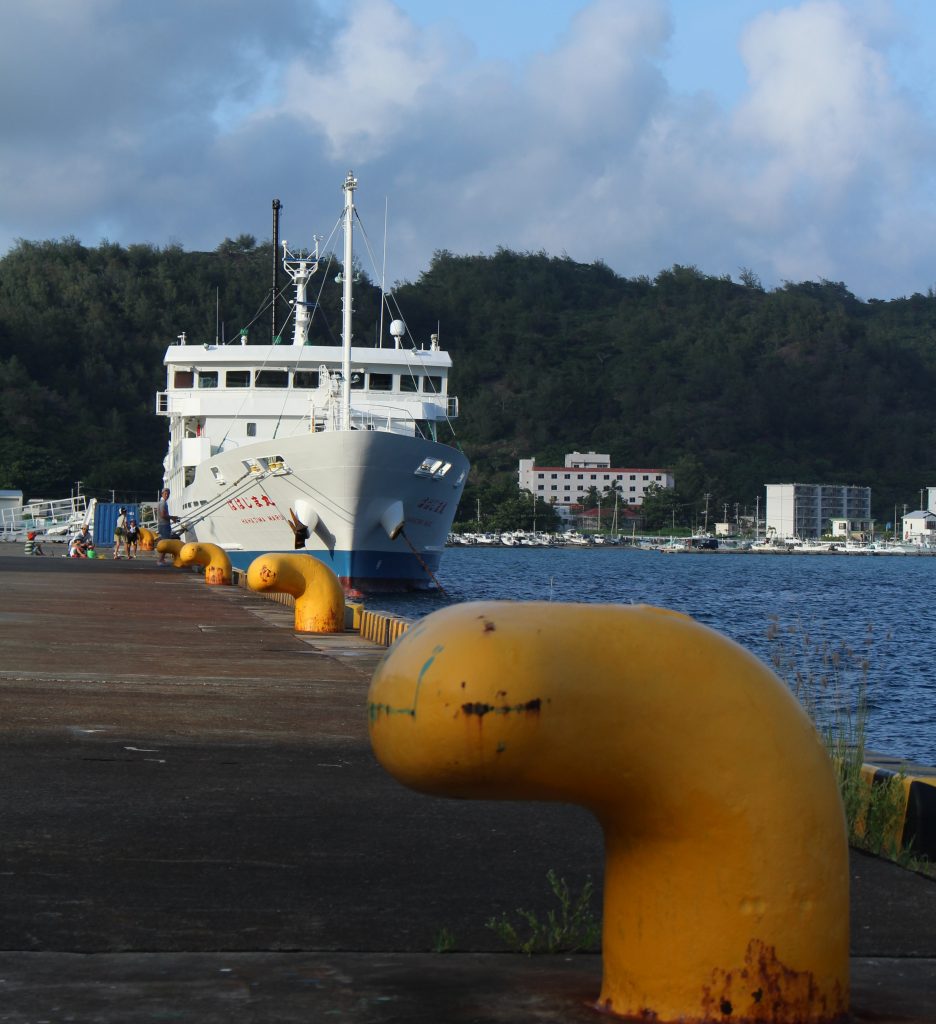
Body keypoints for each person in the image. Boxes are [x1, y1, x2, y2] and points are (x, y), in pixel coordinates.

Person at [156, 488, 178, 564]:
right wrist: (172, 517)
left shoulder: (161, 502)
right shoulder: (163, 503)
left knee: (164, 542)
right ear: (162, 494)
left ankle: (161, 559)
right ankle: (160, 560)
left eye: (168, 494)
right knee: (165, 543)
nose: (167, 495)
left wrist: (172, 517)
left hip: (162, 525)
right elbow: (163, 515)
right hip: (164, 525)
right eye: (165, 494)